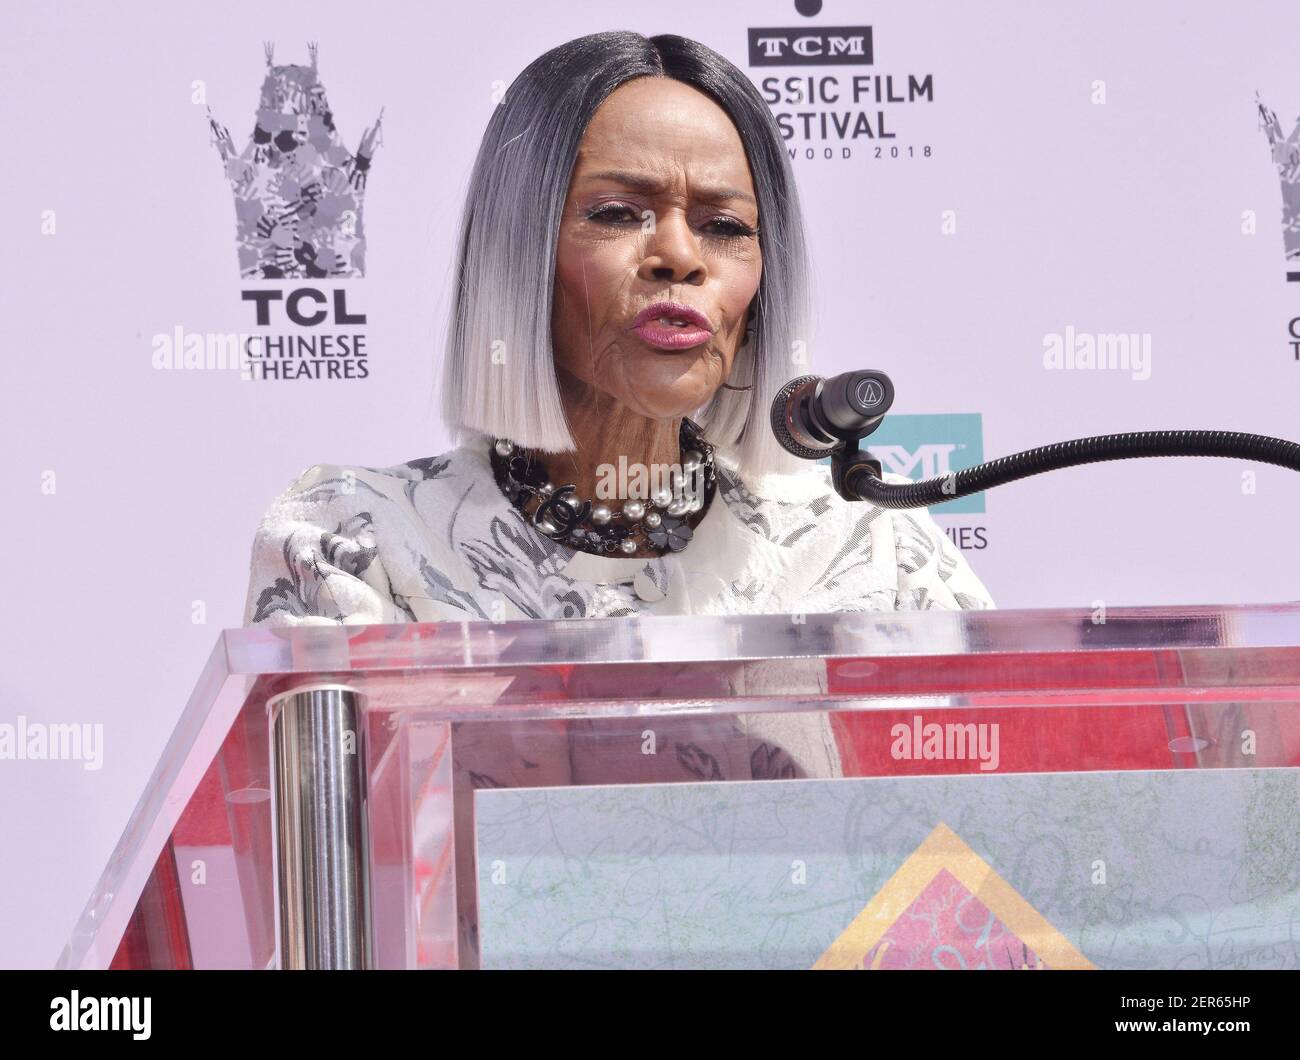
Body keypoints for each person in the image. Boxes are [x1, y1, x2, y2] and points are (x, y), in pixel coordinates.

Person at [241, 31, 994, 966]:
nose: (679, 255)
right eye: (618, 213)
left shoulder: (868, 549)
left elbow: (992, 870)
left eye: (725, 226)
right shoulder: (361, 542)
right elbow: (331, 929)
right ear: (518, 254)